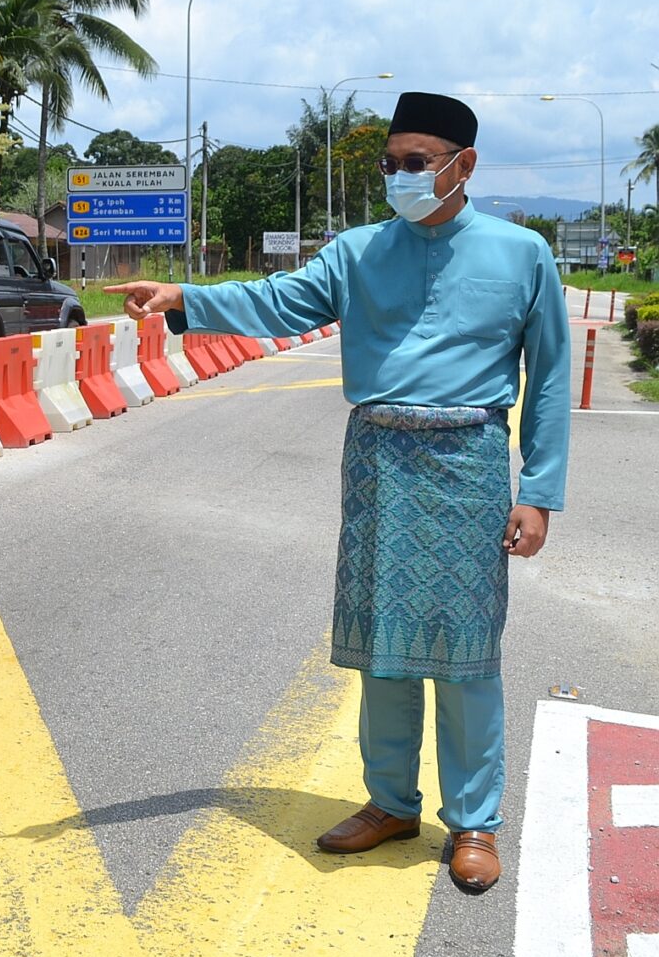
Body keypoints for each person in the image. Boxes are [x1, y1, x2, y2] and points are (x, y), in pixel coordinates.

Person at [105, 91, 570, 893]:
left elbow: (553, 378)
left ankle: (476, 822)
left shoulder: (522, 253)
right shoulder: (356, 251)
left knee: (464, 652)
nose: (399, 176)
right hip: (379, 460)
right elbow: (281, 301)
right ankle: (390, 801)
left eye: (415, 163)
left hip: (469, 462)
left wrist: (539, 490)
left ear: (464, 165)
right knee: (384, 647)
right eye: (389, 164)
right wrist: (186, 299)